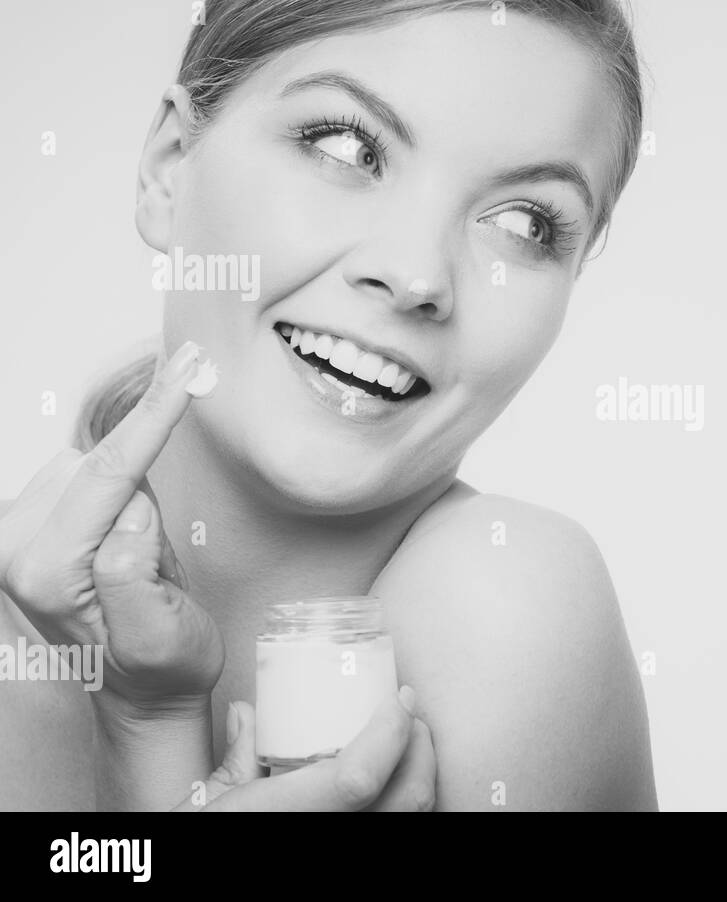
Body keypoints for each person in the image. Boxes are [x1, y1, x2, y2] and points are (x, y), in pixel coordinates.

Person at [0, 0, 657, 812]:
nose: (418, 275)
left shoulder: (508, 607)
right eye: (347, 146)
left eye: (524, 223)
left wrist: (152, 726)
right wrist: (152, 719)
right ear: (169, 165)